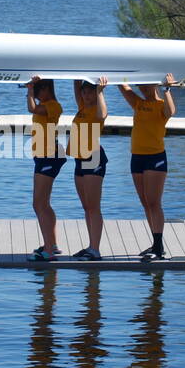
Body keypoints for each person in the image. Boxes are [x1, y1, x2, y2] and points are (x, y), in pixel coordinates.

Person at [120, 73, 176, 258]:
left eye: (146, 86)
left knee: (154, 202)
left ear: (155, 85)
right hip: (137, 158)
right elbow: (123, 86)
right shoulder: (139, 103)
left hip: (155, 158)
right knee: (145, 203)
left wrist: (167, 89)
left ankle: (159, 247)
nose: (142, 89)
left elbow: (171, 111)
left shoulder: (161, 105)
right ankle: (155, 243)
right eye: (140, 86)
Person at [26, 76, 66, 261]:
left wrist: (29, 89)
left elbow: (32, 108)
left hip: (50, 155)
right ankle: (52, 244)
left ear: (47, 89)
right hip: (43, 156)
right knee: (43, 203)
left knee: (39, 203)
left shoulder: (53, 105)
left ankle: (48, 251)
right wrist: (33, 86)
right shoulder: (46, 104)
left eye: (39, 89)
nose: (36, 93)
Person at [68, 77, 108, 260]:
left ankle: (95, 249)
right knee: (86, 207)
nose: (85, 95)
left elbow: (103, 116)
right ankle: (90, 246)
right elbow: (76, 85)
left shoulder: (96, 110)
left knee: (93, 207)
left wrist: (100, 91)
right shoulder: (82, 107)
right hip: (79, 159)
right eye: (84, 92)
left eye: (89, 92)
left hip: (93, 158)